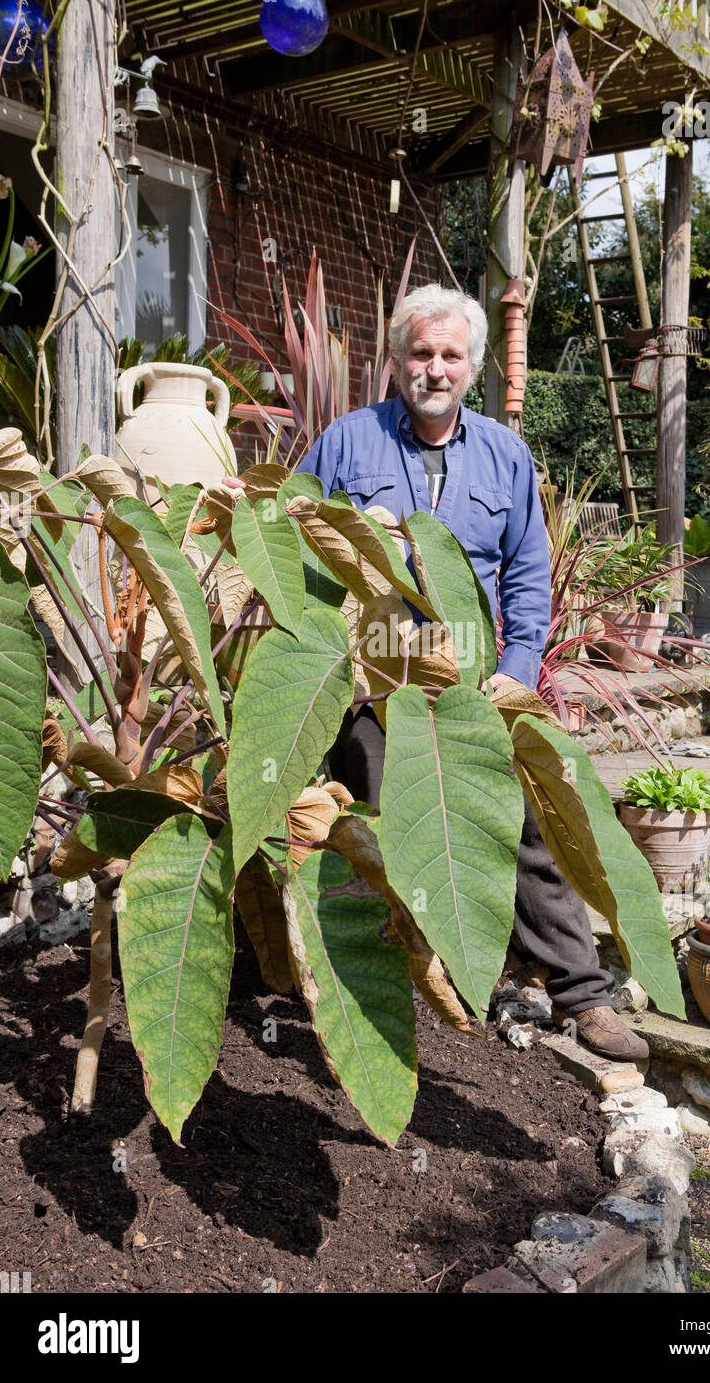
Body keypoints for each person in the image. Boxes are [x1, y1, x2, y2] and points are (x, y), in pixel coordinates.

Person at [296, 283, 649, 1062]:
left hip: (476, 679)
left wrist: (519, 667)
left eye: (450, 355)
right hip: (377, 678)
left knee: (528, 825)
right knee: (386, 822)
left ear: (473, 366)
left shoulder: (504, 453)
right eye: (420, 353)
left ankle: (583, 996)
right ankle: (409, 988)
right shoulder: (347, 443)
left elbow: (527, 575)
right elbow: (293, 550)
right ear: (395, 361)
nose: (435, 368)